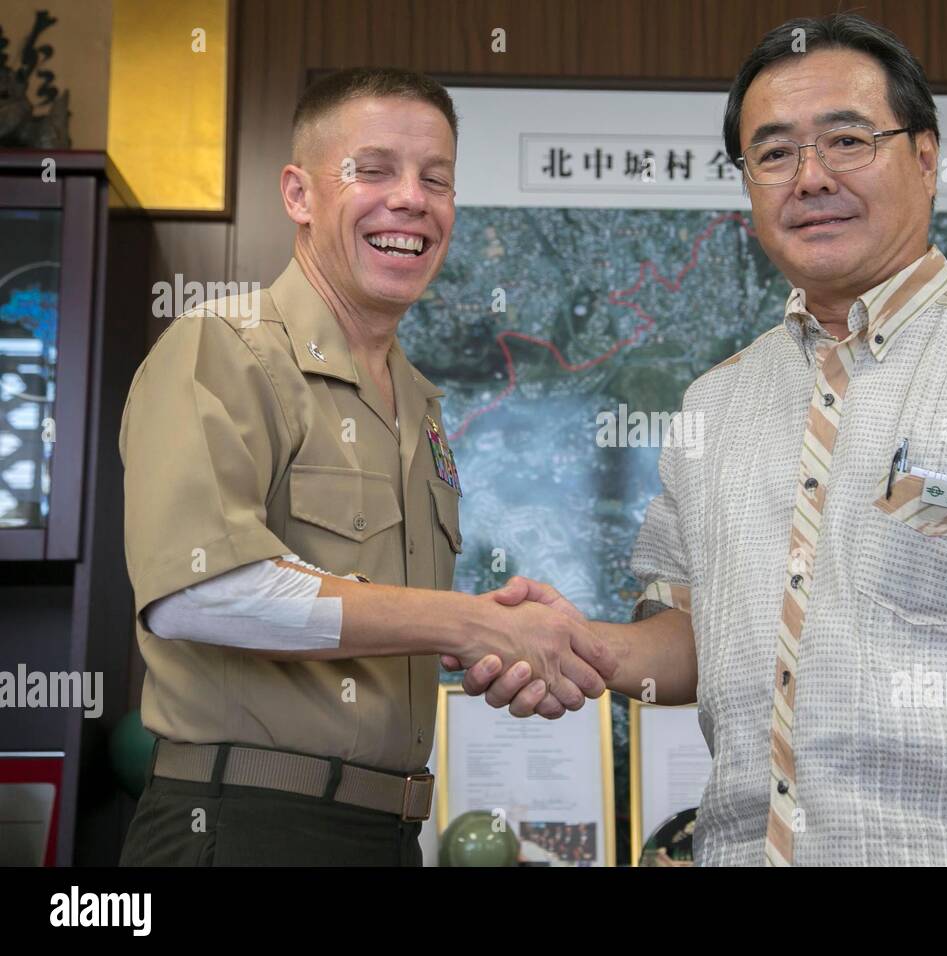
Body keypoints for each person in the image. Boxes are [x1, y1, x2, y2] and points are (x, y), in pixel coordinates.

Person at [456, 15, 947, 866]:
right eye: (774, 153)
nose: (811, 177)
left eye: (848, 141)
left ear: (926, 158)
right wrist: (580, 647)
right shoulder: (716, 401)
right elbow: (692, 643)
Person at [118, 68, 614, 866]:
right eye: (373, 170)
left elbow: (393, 623)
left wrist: (502, 642)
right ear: (299, 194)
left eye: (436, 179)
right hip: (244, 828)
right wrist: (470, 622)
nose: (411, 199)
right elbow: (199, 592)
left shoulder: (417, 401)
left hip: (385, 835)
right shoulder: (223, 347)